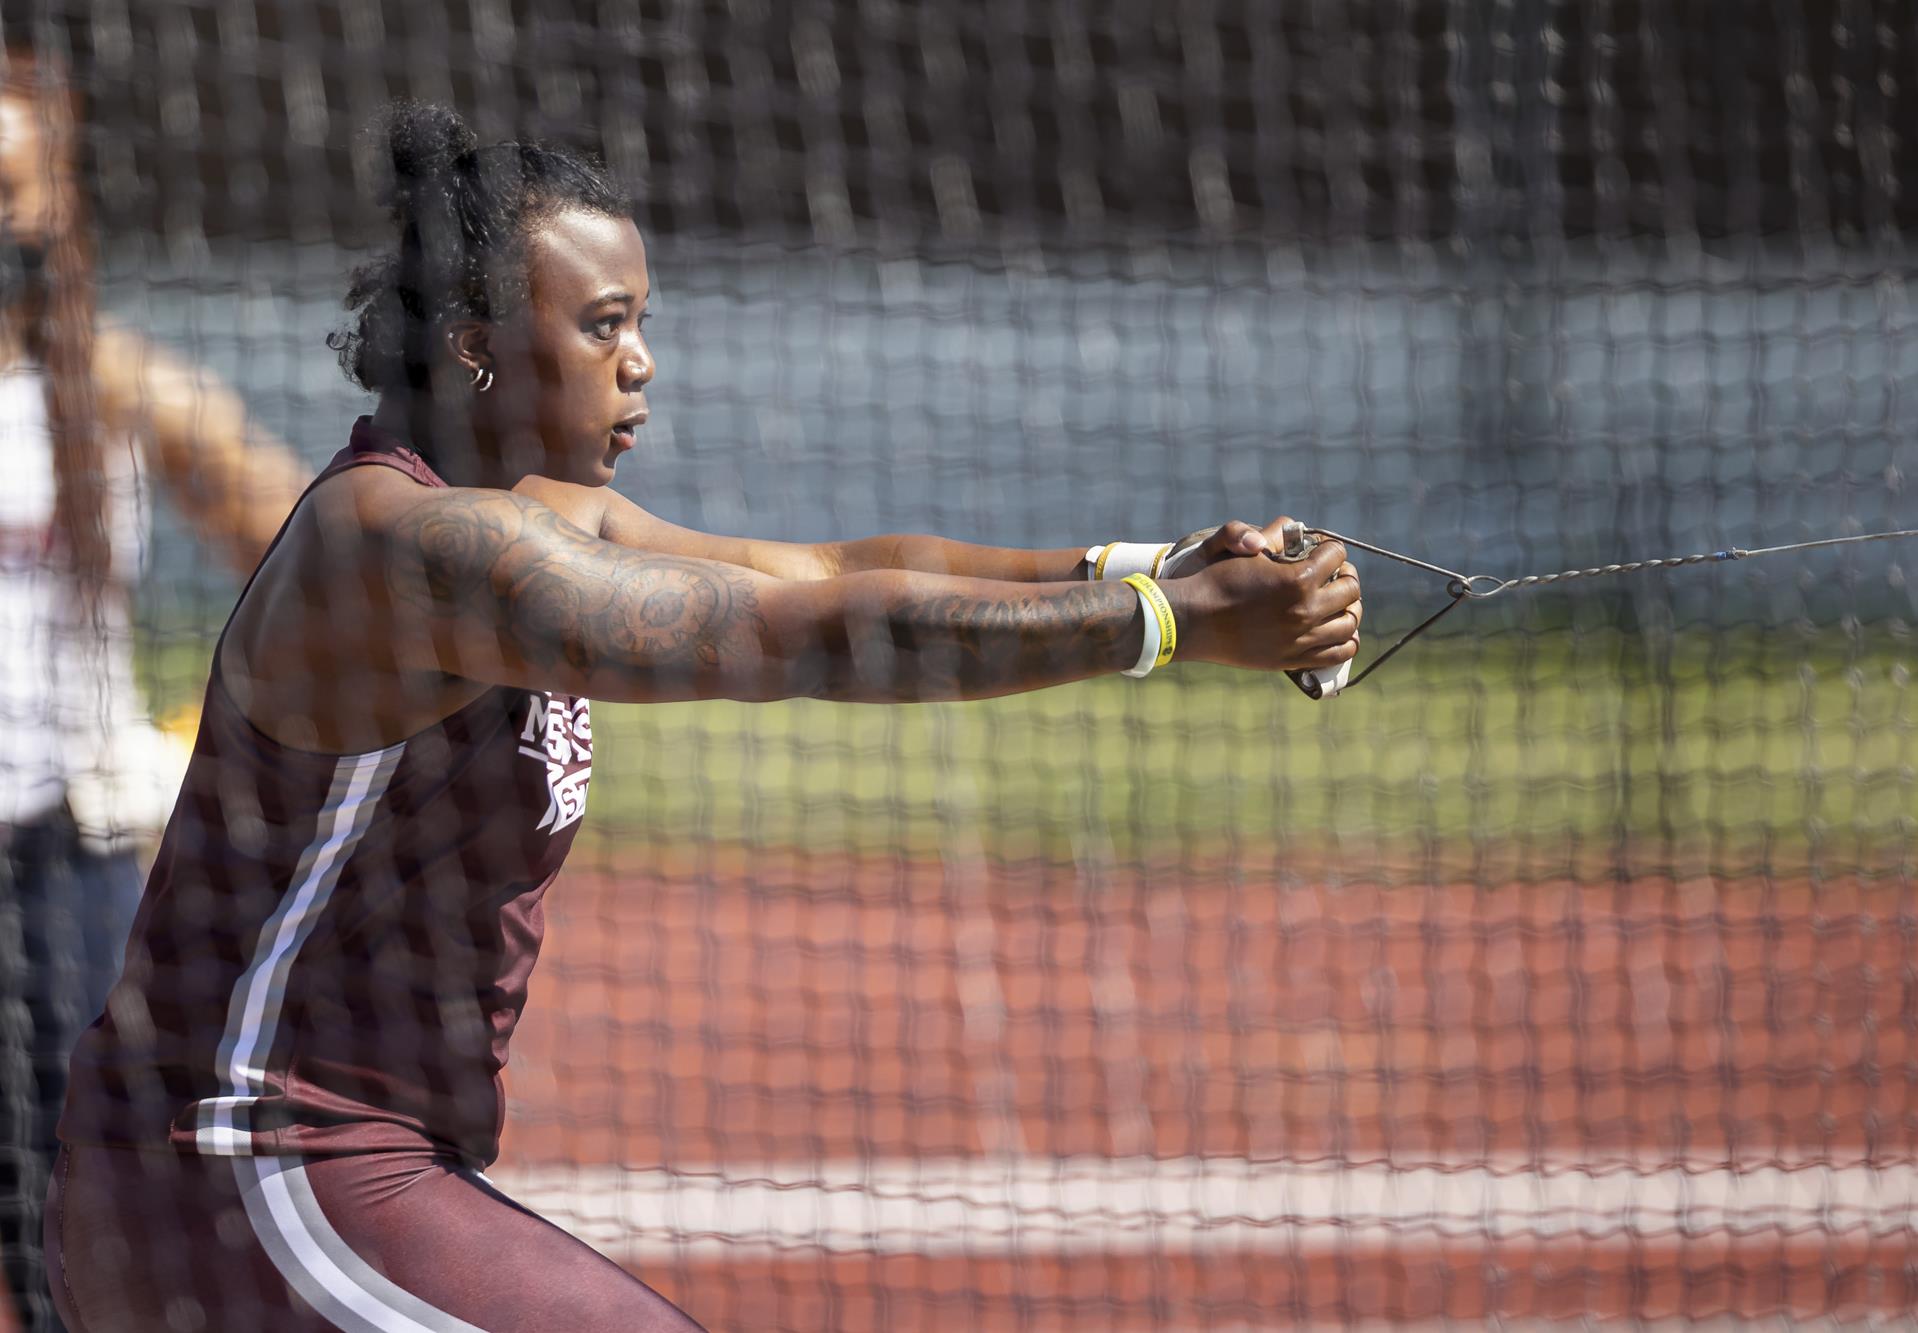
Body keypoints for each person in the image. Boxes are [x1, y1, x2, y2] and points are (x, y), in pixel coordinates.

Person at [44, 102, 1362, 1331]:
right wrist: (1169, 627)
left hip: (323, 1169)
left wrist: (1146, 565)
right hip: (242, 1172)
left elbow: (826, 571)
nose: (643, 364)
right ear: (475, 347)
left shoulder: (530, 519)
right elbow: (791, 637)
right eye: (605, 324)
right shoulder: (406, 549)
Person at [0, 48, 311, 1333]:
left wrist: (202, 736)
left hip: (65, 868)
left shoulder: (115, 387)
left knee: (83, 1233)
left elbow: (310, 555)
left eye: (18, 186)